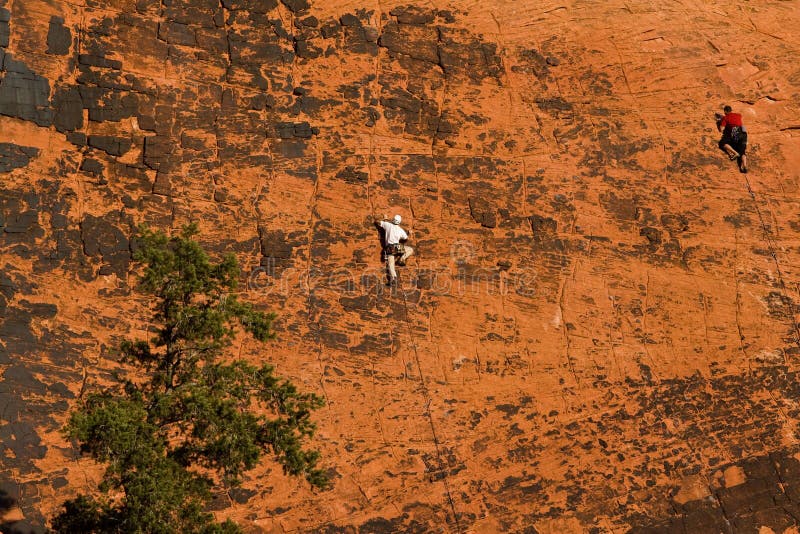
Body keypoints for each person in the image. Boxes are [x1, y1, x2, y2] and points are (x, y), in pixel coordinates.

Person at [374, 214, 414, 286]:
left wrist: (384, 219)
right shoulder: (400, 230)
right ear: (399, 222)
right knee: (410, 249)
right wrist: (409, 233)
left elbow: (377, 222)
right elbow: (405, 238)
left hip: (389, 247)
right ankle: (402, 258)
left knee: (391, 264)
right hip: (397, 246)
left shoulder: (388, 225)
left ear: (393, 220)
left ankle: (394, 278)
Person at [717, 105, 748, 173]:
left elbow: (721, 130)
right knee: (742, 151)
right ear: (731, 110)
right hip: (744, 133)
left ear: (725, 111)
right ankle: (744, 166)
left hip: (736, 133)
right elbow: (739, 121)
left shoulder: (725, 118)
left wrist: (719, 122)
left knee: (723, 143)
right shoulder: (738, 115)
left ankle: (735, 153)